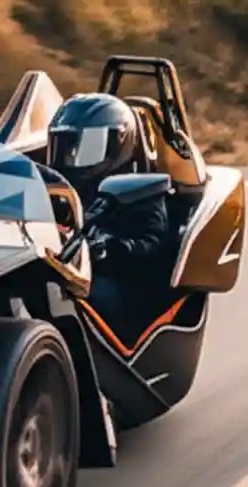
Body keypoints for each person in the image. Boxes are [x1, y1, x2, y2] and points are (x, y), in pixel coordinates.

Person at [45, 93, 173, 343]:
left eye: (88, 146)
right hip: (62, 269)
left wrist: (110, 247)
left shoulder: (141, 191)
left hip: (117, 283)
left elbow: (154, 246)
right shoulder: (58, 187)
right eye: (68, 145)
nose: (73, 156)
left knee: (77, 299)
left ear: (118, 145)